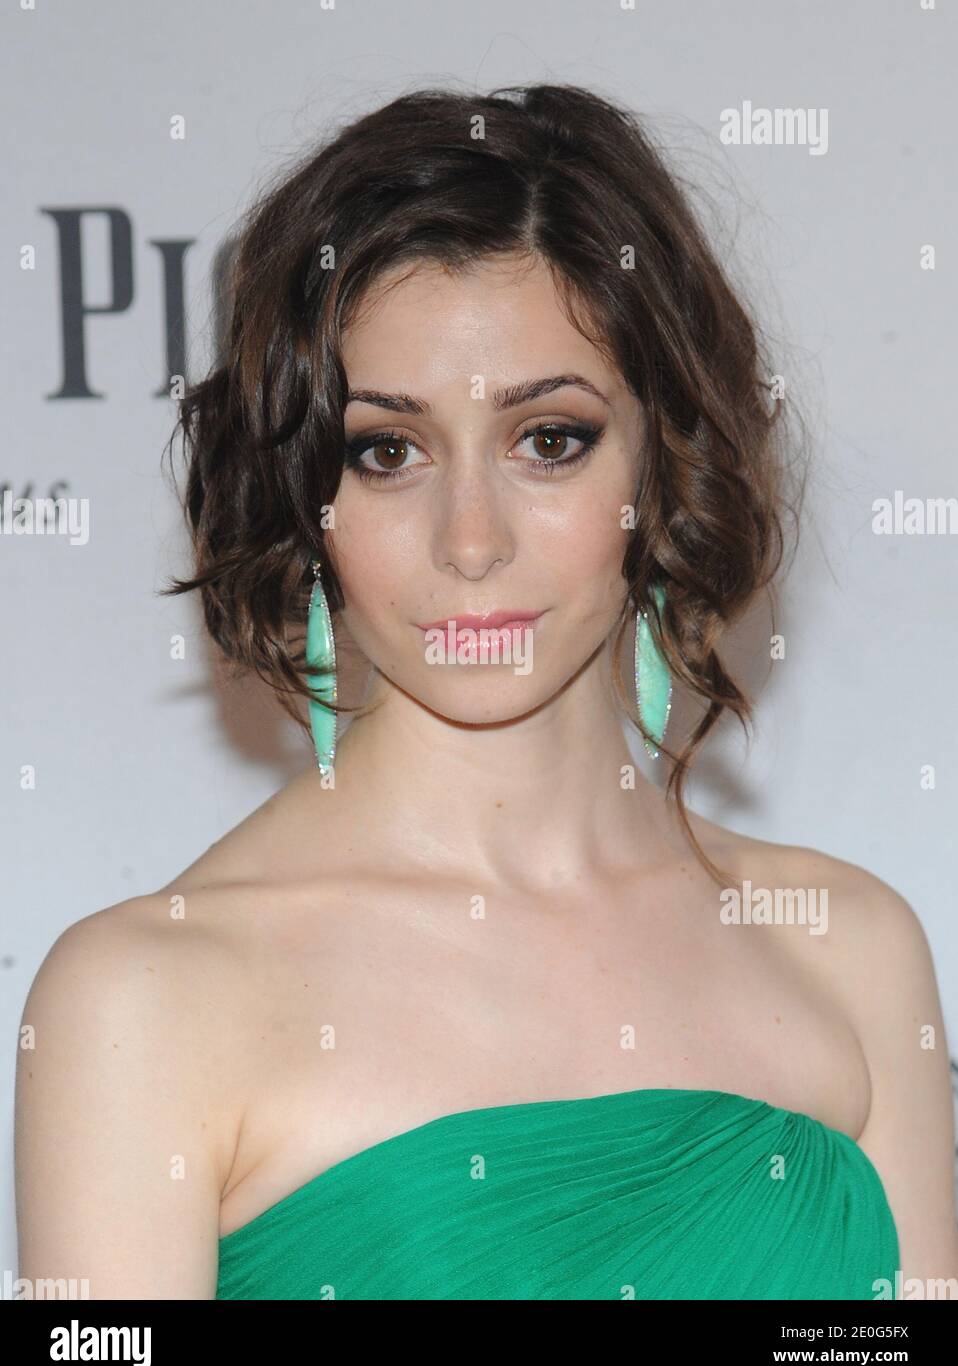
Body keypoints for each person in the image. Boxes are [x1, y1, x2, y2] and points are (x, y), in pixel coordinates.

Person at [15, 83, 957, 1300]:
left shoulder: (851, 952)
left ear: (667, 463)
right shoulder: (139, 1001)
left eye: (548, 438)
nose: (469, 540)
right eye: (385, 450)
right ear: (305, 493)